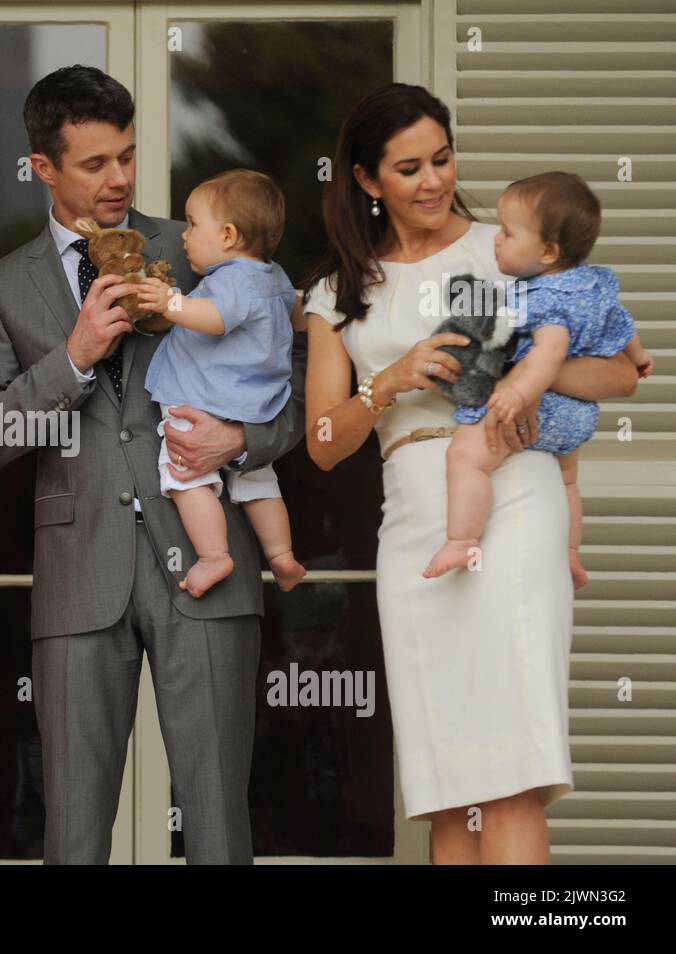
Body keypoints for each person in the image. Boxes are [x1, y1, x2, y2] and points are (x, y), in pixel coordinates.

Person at [0, 66, 305, 864]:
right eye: (95, 163)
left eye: (128, 155)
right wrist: (73, 358)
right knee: (74, 833)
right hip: (79, 571)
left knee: (219, 825)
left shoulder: (206, 248)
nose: (119, 178)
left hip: (209, 566)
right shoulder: (2, 286)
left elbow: (287, 386)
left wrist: (238, 442)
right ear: (43, 168)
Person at [302, 83, 640, 864]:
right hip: (413, 521)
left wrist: (516, 375)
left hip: (512, 492)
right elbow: (322, 444)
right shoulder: (338, 292)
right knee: (448, 787)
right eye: (409, 168)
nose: (433, 181)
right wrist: (390, 381)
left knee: (511, 777)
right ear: (366, 179)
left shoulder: (511, 249)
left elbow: (622, 373)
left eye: (443, 159)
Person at [423, 172, 654, 584]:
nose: (497, 239)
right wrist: (640, 358)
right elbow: (623, 325)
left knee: (465, 458)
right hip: (579, 415)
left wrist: (518, 392)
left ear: (548, 251)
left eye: (508, 233)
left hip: (541, 409)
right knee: (567, 482)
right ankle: (570, 554)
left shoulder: (542, 298)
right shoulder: (592, 283)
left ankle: (461, 540)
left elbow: (549, 351)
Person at [137, 168, 307, 597]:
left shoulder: (233, 279)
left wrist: (170, 302)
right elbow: (297, 315)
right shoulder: (274, 276)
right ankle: (282, 555)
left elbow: (214, 319)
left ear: (228, 235)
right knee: (258, 480)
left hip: (205, 400)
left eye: (193, 224)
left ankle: (214, 555)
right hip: (255, 407)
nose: (184, 235)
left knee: (185, 477)